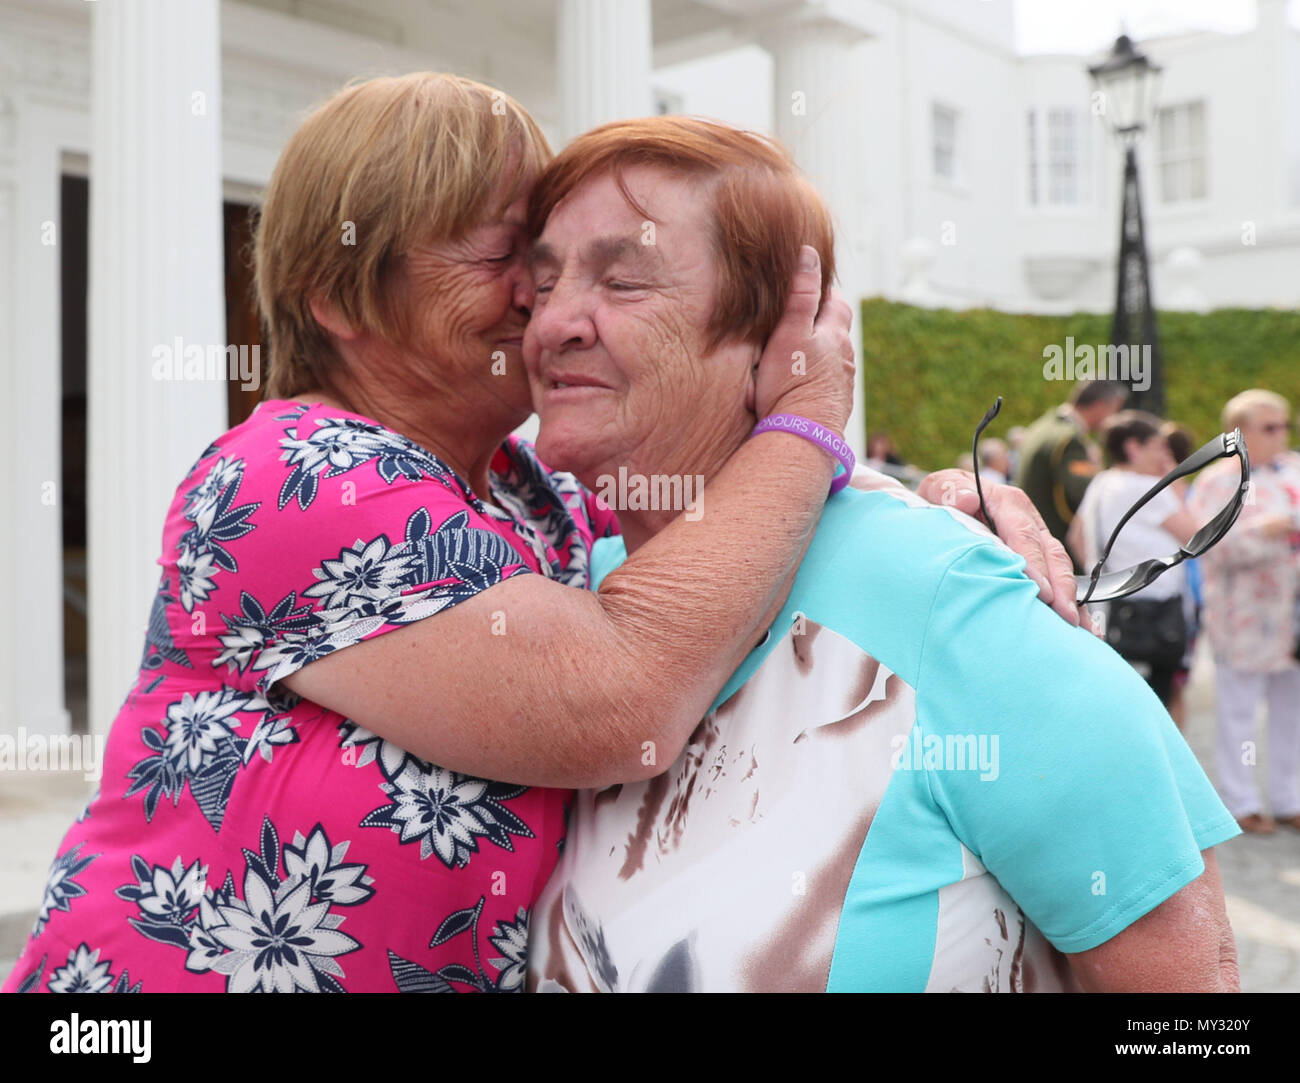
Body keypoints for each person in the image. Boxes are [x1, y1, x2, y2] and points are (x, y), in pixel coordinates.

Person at [3, 74, 1069, 995]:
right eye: (505, 253)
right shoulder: (289, 477)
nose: (541, 296)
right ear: (339, 292)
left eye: (555, 259)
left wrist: (928, 504)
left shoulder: (524, 497)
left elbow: (717, 530)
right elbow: (618, 699)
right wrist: (807, 419)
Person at [522, 116, 1239, 993]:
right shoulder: (557, 596)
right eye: (543, 281)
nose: (553, 322)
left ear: (777, 339)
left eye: (622, 280)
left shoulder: (949, 600)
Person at [1188, 390, 1300, 835]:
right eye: (1269, 427)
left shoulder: (1295, 469)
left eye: (1285, 425)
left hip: (1292, 615)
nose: (1281, 435)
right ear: (1240, 431)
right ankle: (1240, 800)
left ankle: (1288, 797)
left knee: (1291, 708)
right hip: (1243, 614)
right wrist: (1268, 532)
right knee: (1238, 710)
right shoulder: (1219, 479)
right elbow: (1206, 545)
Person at [1069, 411, 1201, 707]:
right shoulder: (1148, 488)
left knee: (1119, 697)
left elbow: (1076, 537)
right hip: (1157, 611)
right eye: (1158, 446)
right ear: (1133, 447)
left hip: (1107, 605)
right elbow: (1195, 537)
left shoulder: (1102, 482)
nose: (1164, 455)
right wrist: (1175, 481)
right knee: (1160, 700)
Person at [1016, 379, 1128, 568]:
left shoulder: (1043, 426)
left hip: (1033, 540)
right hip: (1058, 550)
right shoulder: (1070, 439)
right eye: (1114, 411)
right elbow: (1085, 494)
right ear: (1101, 406)